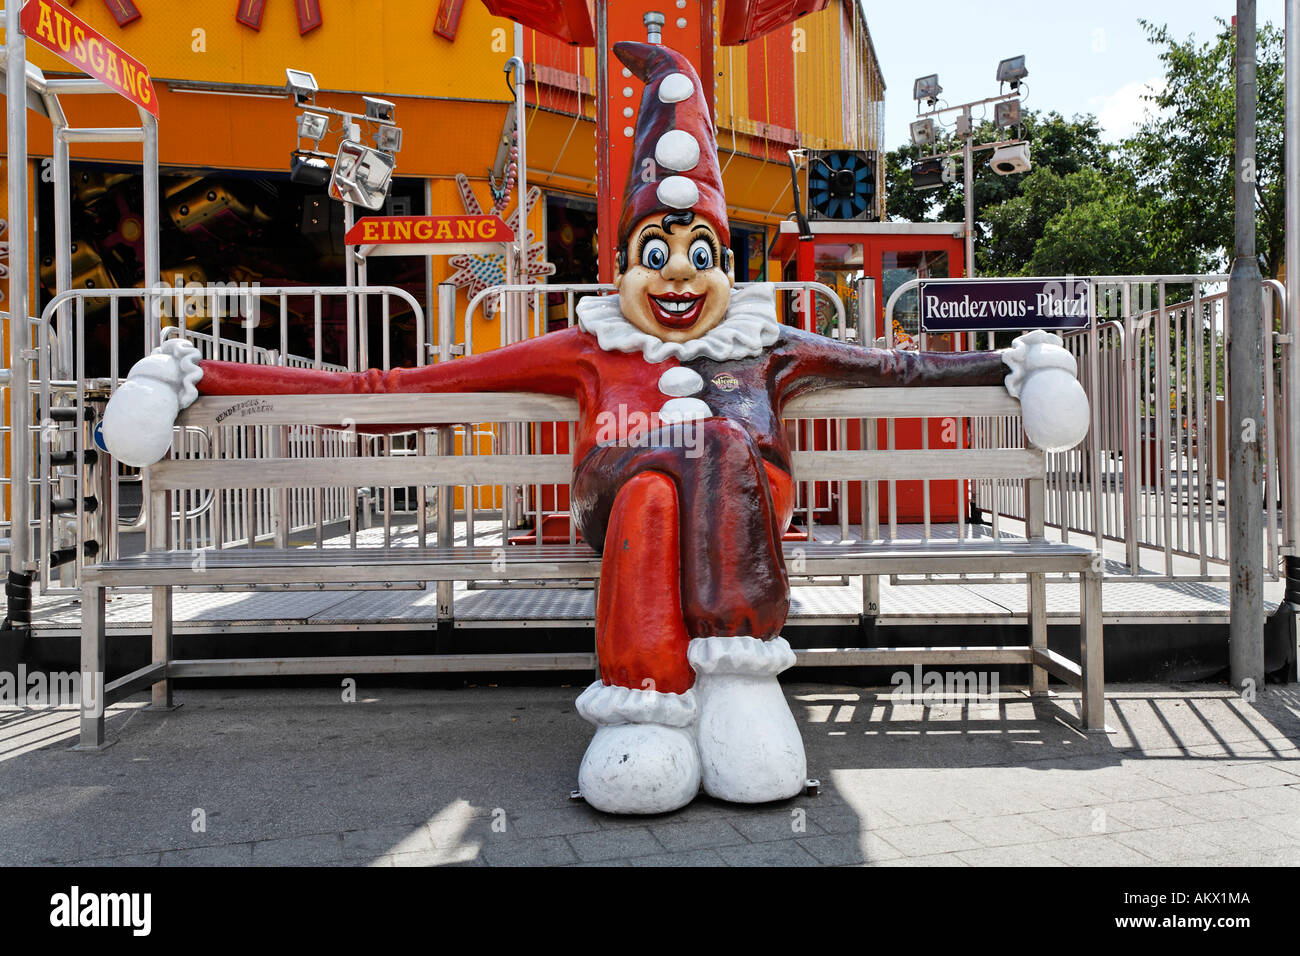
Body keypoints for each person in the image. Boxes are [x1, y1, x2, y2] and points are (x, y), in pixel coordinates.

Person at [100, 42, 1089, 814]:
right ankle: (671, 708)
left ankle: (723, 691)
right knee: (661, 483)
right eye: (654, 247)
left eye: (697, 247)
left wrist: (1018, 357)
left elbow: (903, 365)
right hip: (624, 507)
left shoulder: (767, 340)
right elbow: (407, 381)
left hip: (744, 499)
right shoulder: (586, 347)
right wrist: (204, 370)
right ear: (623, 261)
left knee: (716, 453)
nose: (676, 271)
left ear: (724, 262)